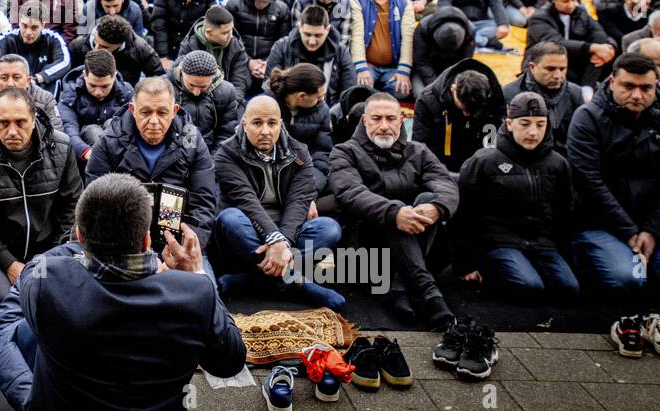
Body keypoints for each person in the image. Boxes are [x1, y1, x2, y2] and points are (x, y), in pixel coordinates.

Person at [0, 173, 243, 411]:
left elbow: (12, 313)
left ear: (79, 235)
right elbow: (230, 362)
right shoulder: (196, 295)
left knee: (28, 331)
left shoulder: (47, 283)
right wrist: (195, 274)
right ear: (146, 240)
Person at [568, 53, 660, 358]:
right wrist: (629, 231)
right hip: (598, 221)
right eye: (628, 86)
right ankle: (591, 270)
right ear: (612, 82)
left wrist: (653, 230)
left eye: (646, 88)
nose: (637, 95)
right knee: (628, 278)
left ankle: (651, 315)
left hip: (650, 222)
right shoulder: (587, 117)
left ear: (657, 84)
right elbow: (590, 182)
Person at [329, 92, 458, 328]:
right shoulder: (344, 151)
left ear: (401, 121)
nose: (384, 126)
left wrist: (437, 208)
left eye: (391, 119)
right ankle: (430, 294)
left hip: (417, 243)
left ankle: (398, 286)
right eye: (376, 118)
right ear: (364, 121)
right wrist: (394, 214)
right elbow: (351, 193)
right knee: (397, 208)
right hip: (366, 249)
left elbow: (446, 183)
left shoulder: (419, 151)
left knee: (428, 198)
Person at [212, 95, 344, 309]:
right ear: (245, 124)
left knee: (330, 229)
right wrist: (275, 241)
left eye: (271, 123)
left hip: (285, 227)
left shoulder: (299, 152)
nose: (265, 131)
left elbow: (299, 202)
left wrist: (283, 243)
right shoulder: (227, 153)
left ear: (280, 125)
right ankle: (297, 283)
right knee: (230, 219)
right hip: (248, 226)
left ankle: (251, 280)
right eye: (257, 123)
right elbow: (246, 202)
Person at [0, 87, 84, 307]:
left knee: (51, 295)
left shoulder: (62, 148)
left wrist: (49, 257)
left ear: (34, 119)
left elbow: (72, 208)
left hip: (50, 249)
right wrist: (9, 263)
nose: (12, 131)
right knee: (2, 299)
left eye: (20, 122)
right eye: (3, 123)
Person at [453, 92, 577, 302]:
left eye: (540, 124)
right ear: (509, 124)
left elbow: (564, 211)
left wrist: (562, 251)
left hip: (541, 241)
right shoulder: (485, 161)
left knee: (569, 288)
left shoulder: (558, 163)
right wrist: (466, 263)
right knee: (530, 287)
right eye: (525, 123)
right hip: (498, 240)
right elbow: (464, 214)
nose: (533, 132)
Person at [85, 76, 218, 256]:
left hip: (178, 242)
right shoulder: (108, 142)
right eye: (145, 112)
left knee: (205, 284)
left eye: (162, 113)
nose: (154, 121)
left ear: (174, 111)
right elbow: (95, 203)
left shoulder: (193, 141)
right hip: (122, 245)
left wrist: (187, 247)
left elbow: (203, 203)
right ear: (133, 110)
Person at [411, 59, 506, 173]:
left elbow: (496, 142)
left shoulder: (495, 99)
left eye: (473, 111)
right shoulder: (428, 99)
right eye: (464, 109)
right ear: (453, 89)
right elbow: (422, 145)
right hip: (441, 167)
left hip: (480, 167)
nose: (467, 114)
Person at [526, 0, 615, 87]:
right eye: (565, 1)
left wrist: (610, 47)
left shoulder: (580, 12)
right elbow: (555, 43)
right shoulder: (539, 17)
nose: (570, 5)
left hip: (573, 59)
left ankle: (588, 87)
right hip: (547, 60)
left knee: (602, 45)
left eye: (574, 0)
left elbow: (599, 32)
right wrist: (592, 47)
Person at [501, 41, 584, 153]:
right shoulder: (509, 93)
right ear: (532, 67)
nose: (557, 76)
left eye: (562, 69)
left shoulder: (576, 93)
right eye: (550, 69)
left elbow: (580, 141)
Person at [348, 0, 415, 97]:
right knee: (359, 85)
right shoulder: (357, 1)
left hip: (392, 68)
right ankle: (376, 93)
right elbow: (357, 37)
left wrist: (403, 71)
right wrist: (362, 68)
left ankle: (375, 94)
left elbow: (408, 39)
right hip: (368, 66)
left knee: (402, 90)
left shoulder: (405, 4)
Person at [263, 5, 355, 104]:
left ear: (327, 30)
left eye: (318, 35)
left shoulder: (341, 52)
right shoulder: (281, 47)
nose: (312, 41)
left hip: (328, 111)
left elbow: (347, 94)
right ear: (300, 27)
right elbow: (269, 86)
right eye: (307, 34)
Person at [57, 49, 133, 164]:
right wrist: (85, 151)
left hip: (119, 153)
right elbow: (68, 129)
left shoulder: (126, 93)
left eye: (105, 86)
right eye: (93, 85)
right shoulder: (70, 94)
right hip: (83, 155)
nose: (98, 92)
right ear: (84, 75)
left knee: (112, 124)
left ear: (114, 77)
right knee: (92, 131)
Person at [0, 1, 71, 94]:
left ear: (43, 25)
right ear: (19, 22)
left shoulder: (53, 38)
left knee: (54, 79)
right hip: (10, 89)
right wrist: (14, 77)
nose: (28, 32)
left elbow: (64, 62)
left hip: (41, 89)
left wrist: (39, 77)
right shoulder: (5, 38)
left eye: (34, 27)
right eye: (24, 26)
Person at [169, 49, 242, 152]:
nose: (196, 92)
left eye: (203, 87)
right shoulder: (163, 89)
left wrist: (213, 162)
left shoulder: (227, 92)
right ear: (181, 72)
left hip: (211, 154)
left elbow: (226, 133)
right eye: (191, 85)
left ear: (213, 78)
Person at [150, 0, 215, 70]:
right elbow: (159, 22)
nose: (188, 0)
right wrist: (163, 56)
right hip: (168, 43)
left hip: (194, 48)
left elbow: (213, 25)